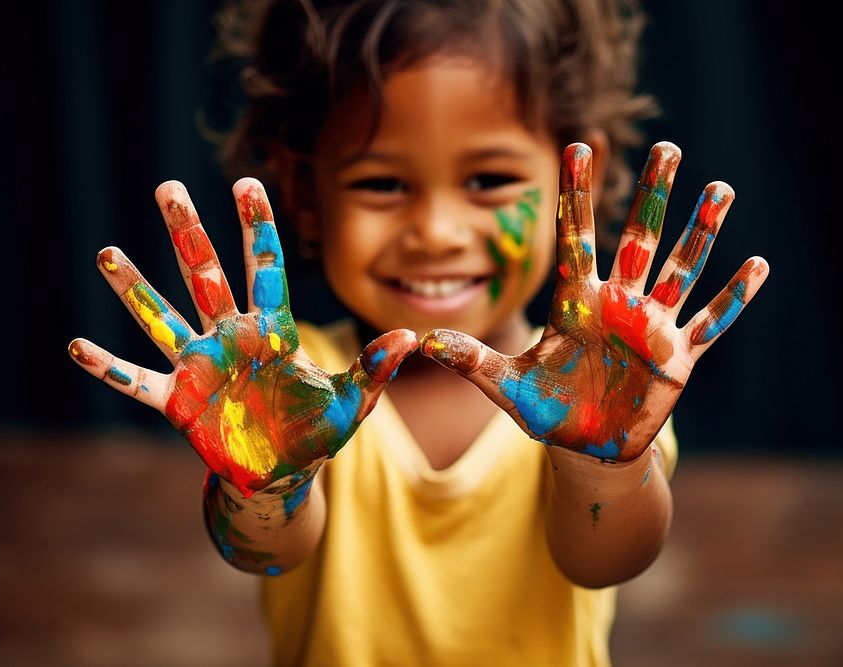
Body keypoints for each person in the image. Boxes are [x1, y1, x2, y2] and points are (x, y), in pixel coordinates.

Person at [69, 0, 769, 664]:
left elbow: (607, 560)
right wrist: (266, 484)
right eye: (383, 184)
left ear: (573, 187)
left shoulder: (605, 392)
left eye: (488, 179)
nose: (436, 231)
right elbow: (263, 553)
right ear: (305, 193)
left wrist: (602, 466)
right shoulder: (286, 389)